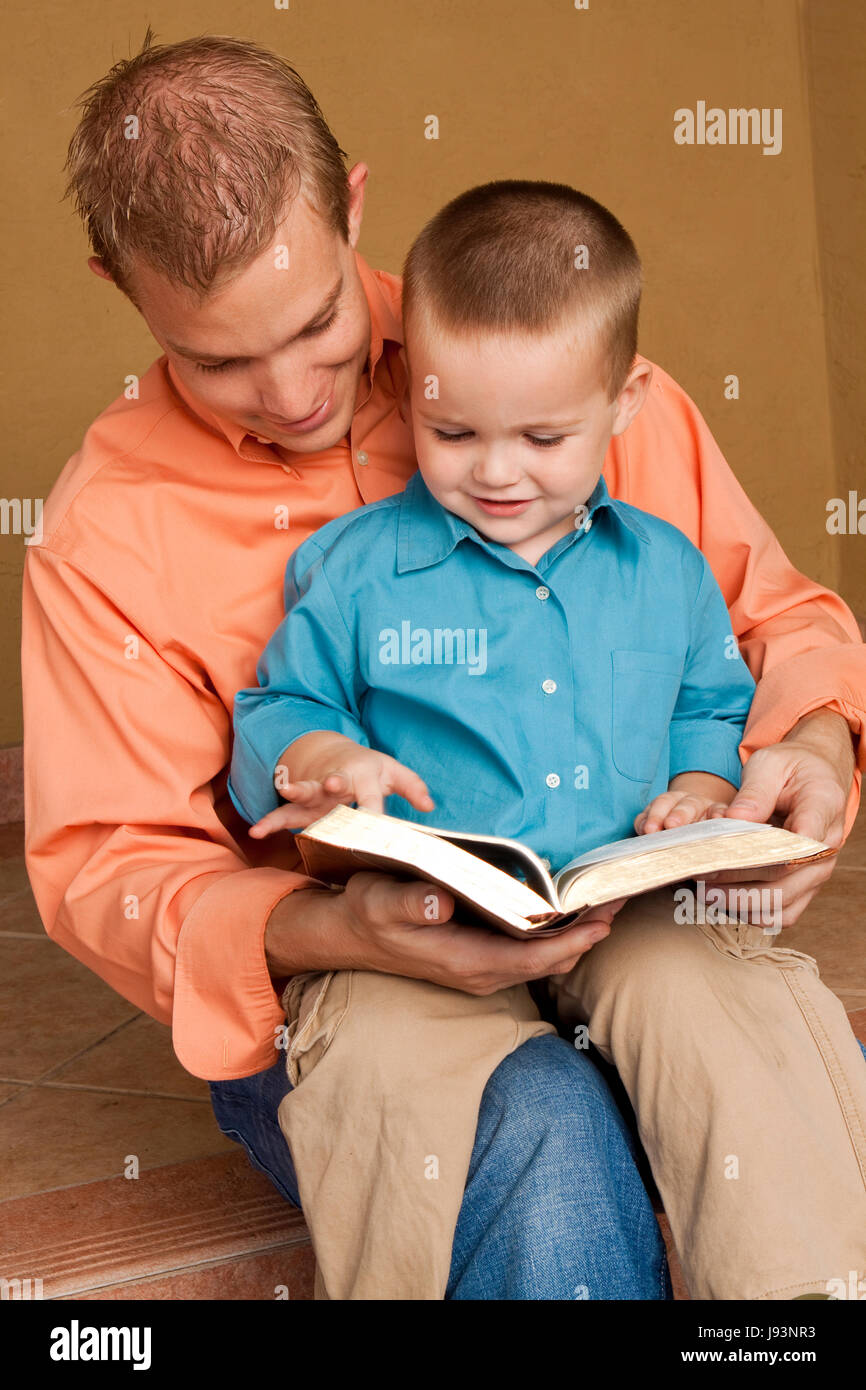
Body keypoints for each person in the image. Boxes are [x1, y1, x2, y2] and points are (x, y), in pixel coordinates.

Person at [20, 33, 865, 1301]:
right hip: (353, 980)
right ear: (117, 287)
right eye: (218, 360)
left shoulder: (548, 357)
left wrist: (809, 743)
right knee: (548, 1130)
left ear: (350, 201)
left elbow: (768, 617)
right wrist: (333, 923)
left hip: (633, 924)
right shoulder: (101, 532)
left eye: (315, 324)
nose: (296, 389)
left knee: (731, 1047)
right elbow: (109, 866)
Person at [227, 179, 866, 1301]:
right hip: (424, 926)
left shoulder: (663, 565)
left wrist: (697, 782)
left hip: (625, 901)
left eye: (541, 435)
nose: (494, 471)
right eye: (451, 430)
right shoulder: (358, 565)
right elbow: (277, 710)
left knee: (729, 1019)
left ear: (624, 403)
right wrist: (324, 762)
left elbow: (708, 701)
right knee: (402, 1080)